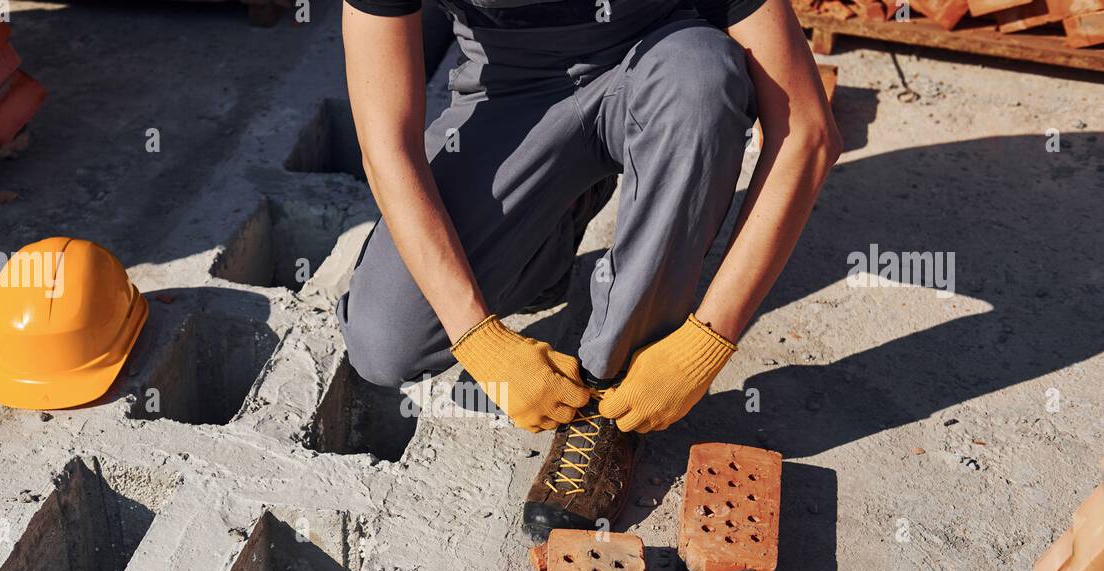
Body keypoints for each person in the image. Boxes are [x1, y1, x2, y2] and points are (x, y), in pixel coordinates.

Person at [336, 0, 840, 541]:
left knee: (700, 78)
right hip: (512, 89)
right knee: (388, 345)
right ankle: (556, 226)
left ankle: (614, 389)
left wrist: (706, 340)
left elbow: (807, 133)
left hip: (664, 66)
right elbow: (386, 142)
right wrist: (475, 335)